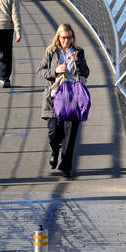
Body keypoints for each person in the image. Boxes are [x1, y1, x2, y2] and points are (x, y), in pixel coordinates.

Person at [37, 23, 89, 176]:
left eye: (69, 38)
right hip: (54, 97)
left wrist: (77, 62)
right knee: (54, 132)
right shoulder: (51, 52)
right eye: (64, 38)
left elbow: (86, 72)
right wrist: (55, 70)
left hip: (73, 96)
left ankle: (66, 166)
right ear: (58, 38)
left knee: (70, 133)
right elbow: (40, 72)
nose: (67, 41)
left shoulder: (79, 52)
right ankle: (54, 149)